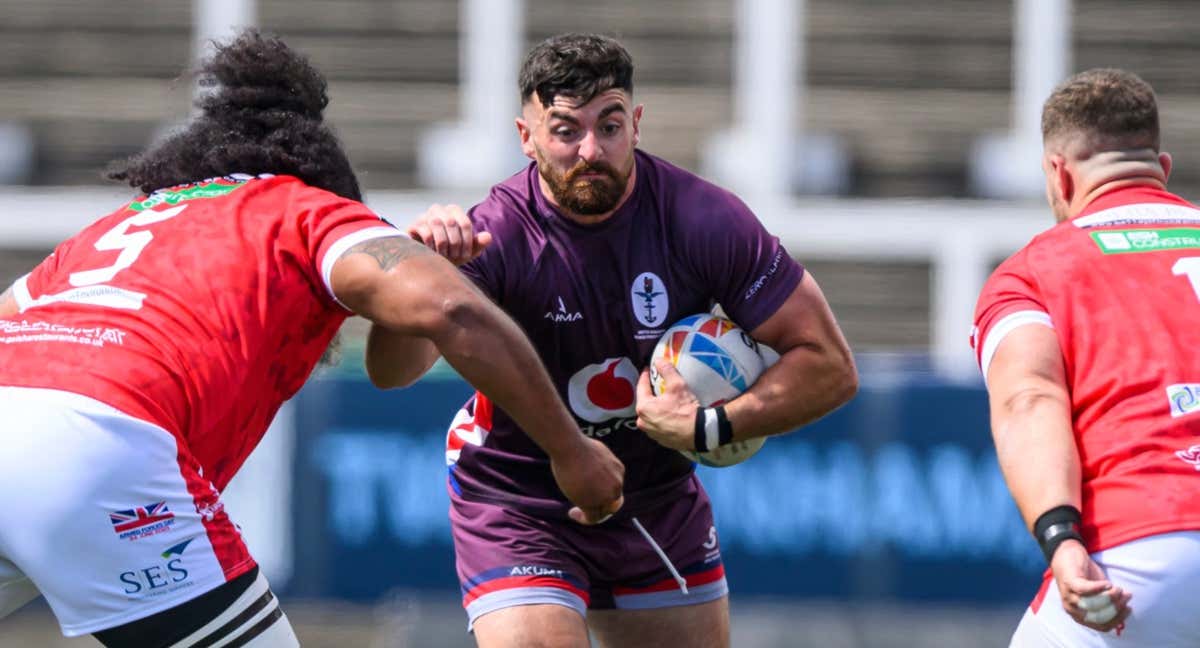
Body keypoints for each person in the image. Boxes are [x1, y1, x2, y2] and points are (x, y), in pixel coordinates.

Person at [0, 30, 623, 647]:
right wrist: (573, 453)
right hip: (106, 445)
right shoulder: (309, 211)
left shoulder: (119, 226)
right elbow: (453, 310)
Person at [369, 33, 858, 648]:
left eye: (610, 125)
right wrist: (414, 276)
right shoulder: (495, 236)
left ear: (637, 124)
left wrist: (711, 427)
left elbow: (830, 365)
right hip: (518, 499)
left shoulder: (703, 221)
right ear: (526, 137)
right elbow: (392, 371)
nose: (590, 149)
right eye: (565, 129)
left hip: (652, 499)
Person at [972, 68, 1200, 647]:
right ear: (1162, 169)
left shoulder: (1029, 274)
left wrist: (1061, 538)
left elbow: (1030, 399)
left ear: (1060, 174)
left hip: (1144, 550)